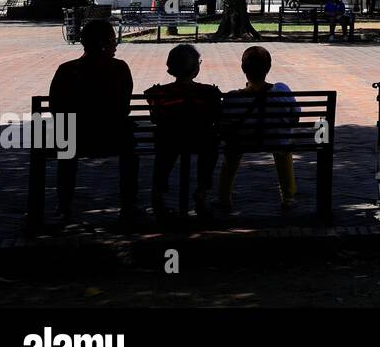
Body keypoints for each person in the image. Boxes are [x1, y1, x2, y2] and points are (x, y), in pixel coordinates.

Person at [49, 20, 141, 221]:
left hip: (75, 137)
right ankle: (129, 204)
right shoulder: (119, 68)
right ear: (104, 43)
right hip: (112, 136)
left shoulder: (66, 70)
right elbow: (123, 107)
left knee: (66, 144)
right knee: (129, 146)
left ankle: (64, 205)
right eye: (113, 40)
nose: (116, 45)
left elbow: (56, 108)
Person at [217, 46, 299, 213]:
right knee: (284, 149)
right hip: (275, 139)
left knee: (231, 153)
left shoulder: (232, 97)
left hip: (242, 141)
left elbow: (223, 124)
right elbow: (294, 117)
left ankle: (224, 197)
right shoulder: (282, 90)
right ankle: (288, 197)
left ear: (243, 69)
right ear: (268, 68)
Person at [144, 44, 222, 219]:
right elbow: (216, 118)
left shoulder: (159, 93)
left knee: (164, 149)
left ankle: (157, 194)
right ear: (196, 68)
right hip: (201, 140)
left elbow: (155, 118)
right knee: (211, 144)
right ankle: (201, 191)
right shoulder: (209, 92)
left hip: (169, 141)